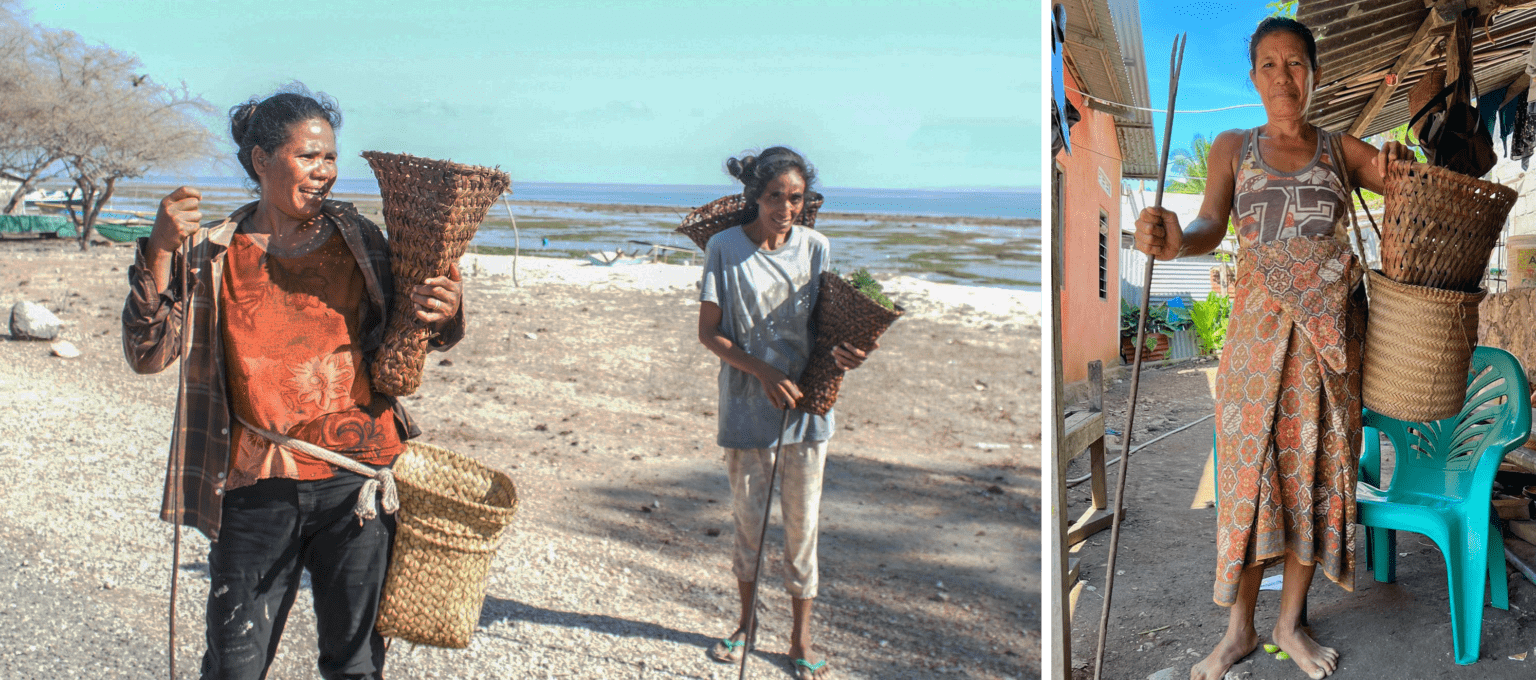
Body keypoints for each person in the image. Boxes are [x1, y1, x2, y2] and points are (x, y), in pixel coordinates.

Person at [121, 84, 465, 680]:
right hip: (257, 487)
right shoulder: (211, 253)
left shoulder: (365, 243)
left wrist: (447, 311)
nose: (325, 171)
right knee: (234, 666)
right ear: (261, 160)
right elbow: (148, 353)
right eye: (309, 156)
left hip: (359, 487)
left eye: (330, 156)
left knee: (355, 664)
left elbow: (420, 332)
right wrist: (158, 249)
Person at [1132, 18, 1412, 680]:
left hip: (1327, 349)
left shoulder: (1342, 149)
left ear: (1314, 75)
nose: (1283, 76)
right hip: (1256, 346)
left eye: (1295, 64)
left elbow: (1397, 178)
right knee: (1251, 484)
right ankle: (1240, 632)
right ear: (1254, 77)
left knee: (1314, 479)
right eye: (1269, 65)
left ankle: (1291, 623)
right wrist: (1176, 238)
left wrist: (1401, 164)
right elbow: (1208, 224)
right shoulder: (1233, 146)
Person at [696, 146, 872, 679]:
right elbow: (709, 333)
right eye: (776, 197)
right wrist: (763, 372)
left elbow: (830, 329)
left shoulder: (816, 248)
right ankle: (745, 624)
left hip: (807, 412)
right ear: (756, 196)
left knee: (803, 529)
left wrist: (852, 352)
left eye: (795, 198)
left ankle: (800, 637)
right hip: (747, 411)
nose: (786, 208)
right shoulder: (724, 249)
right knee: (749, 526)